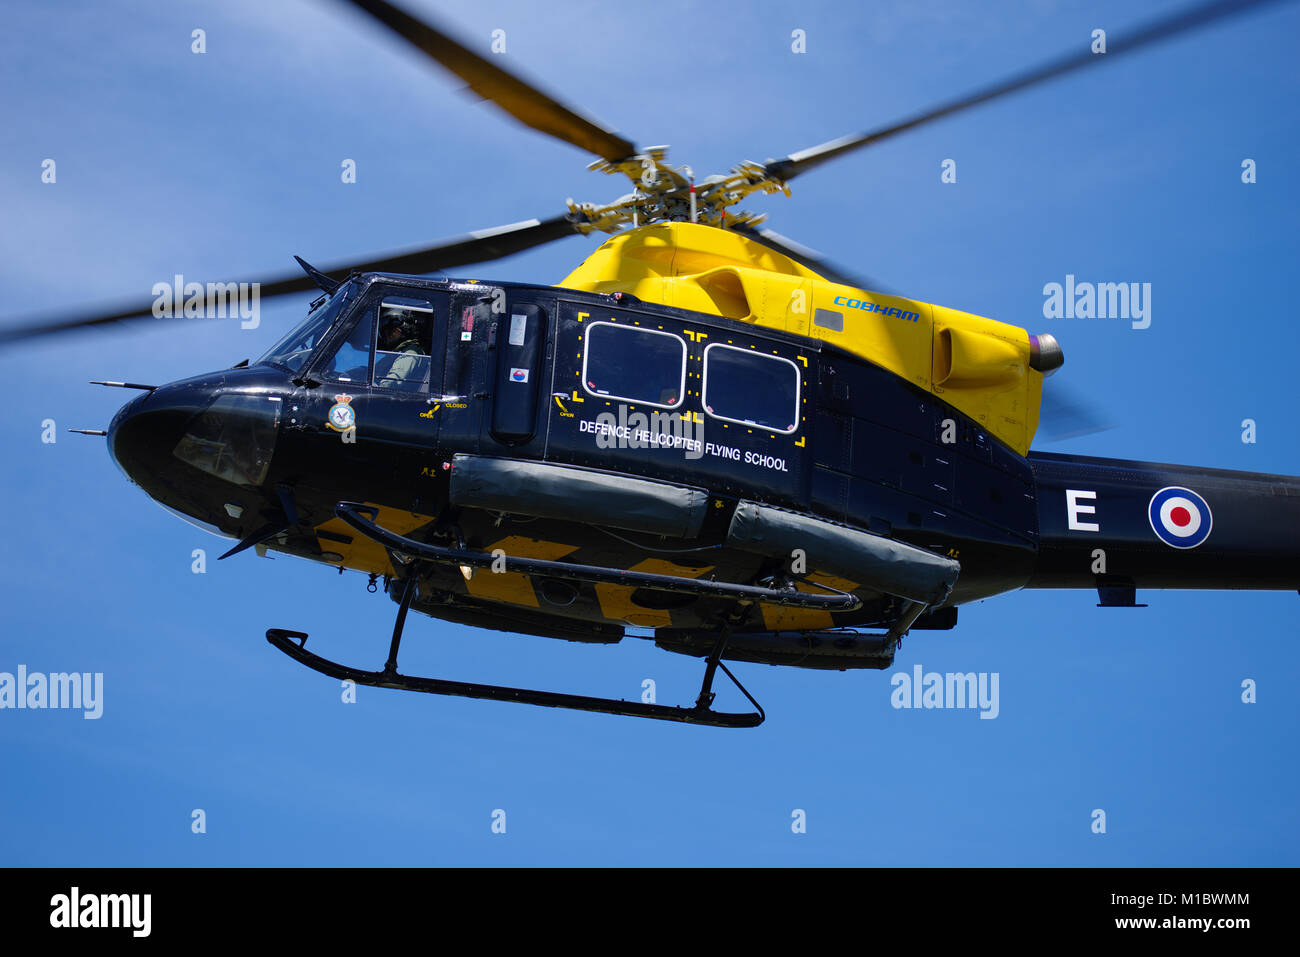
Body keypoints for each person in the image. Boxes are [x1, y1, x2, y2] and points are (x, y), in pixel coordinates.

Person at [375, 309, 427, 389]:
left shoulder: (410, 353)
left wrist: (372, 387)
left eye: (389, 331)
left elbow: (389, 384)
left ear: (398, 331)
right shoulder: (397, 353)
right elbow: (376, 371)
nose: (386, 336)